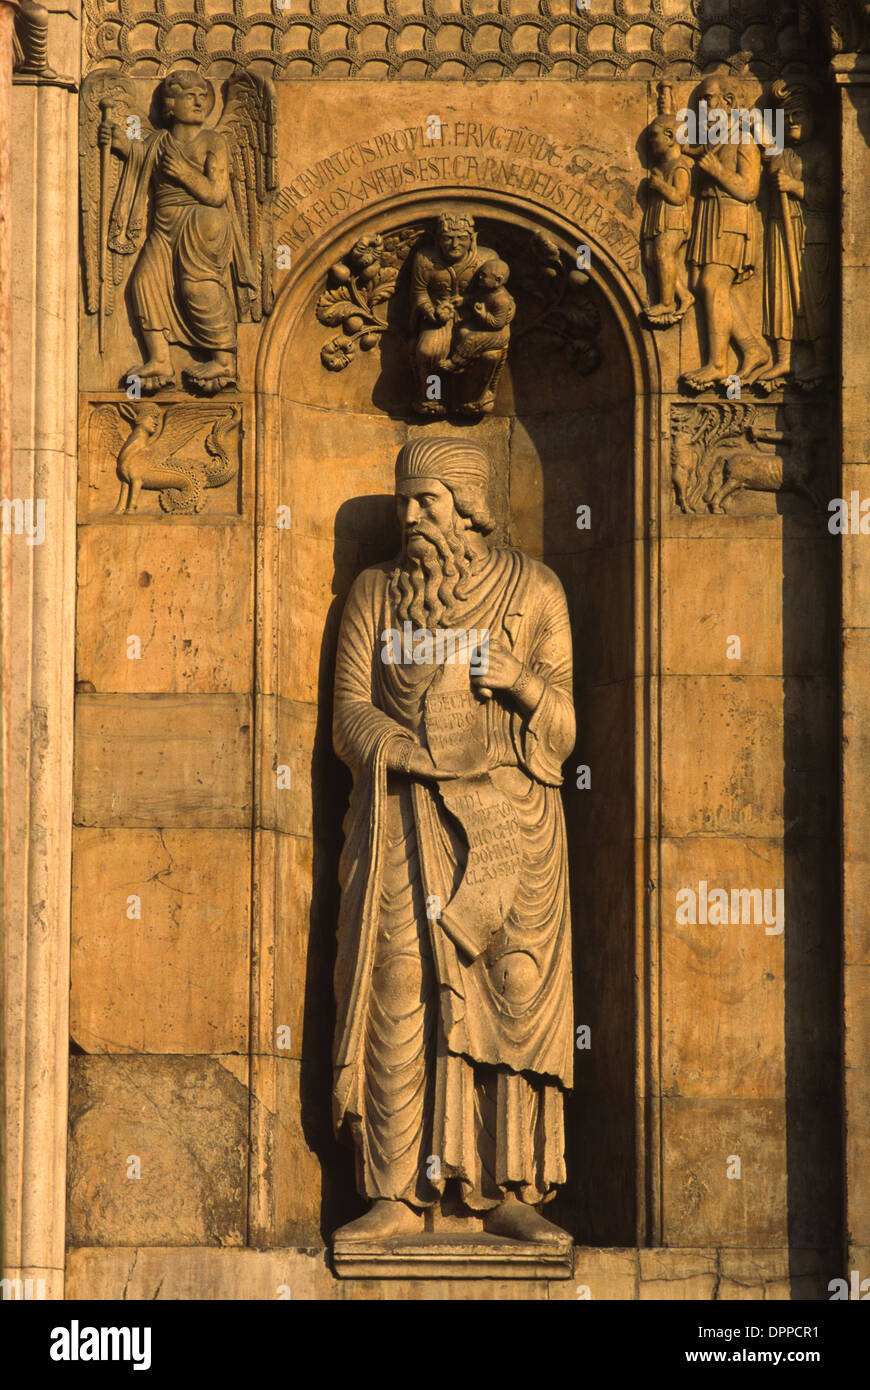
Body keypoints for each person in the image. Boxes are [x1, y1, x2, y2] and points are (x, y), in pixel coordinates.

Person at [331, 436, 576, 1245]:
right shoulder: (375, 594)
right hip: (405, 814)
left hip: (511, 824)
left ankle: (510, 1188)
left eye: (426, 501)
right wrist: (402, 752)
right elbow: (349, 714)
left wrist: (521, 683)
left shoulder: (535, 591)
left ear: (469, 508)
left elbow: (567, 730)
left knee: (509, 990)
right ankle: (397, 1191)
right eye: (404, 501)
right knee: (400, 985)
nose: (409, 517)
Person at [101, 70, 256, 392]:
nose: (199, 101)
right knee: (144, 282)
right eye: (190, 96)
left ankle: (224, 359)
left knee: (196, 287)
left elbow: (217, 193)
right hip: (164, 224)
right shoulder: (159, 140)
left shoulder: (213, 141)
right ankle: (159, 359)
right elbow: (143, 159)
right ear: (171, 105)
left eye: (203, 95)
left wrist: (186, 173)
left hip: (202, 222)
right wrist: (119, 143)